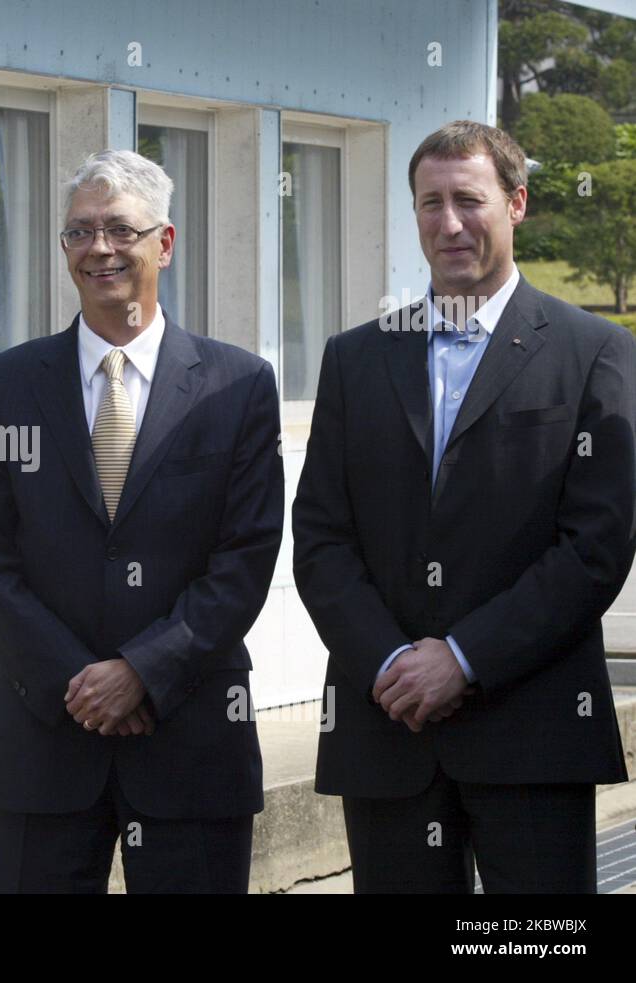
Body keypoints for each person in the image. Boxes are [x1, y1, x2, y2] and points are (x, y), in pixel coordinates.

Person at [292, 120, 636, 893]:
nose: (448, 223)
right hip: (386, 728)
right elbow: (320, 539)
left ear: (516, 203)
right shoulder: (354, 359)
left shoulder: (596, 353)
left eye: (469, 201)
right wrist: (391, 662)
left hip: (533, 731)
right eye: (429, 203)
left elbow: (596, 547)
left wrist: (464, 657)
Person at [0, 149, 284, 893]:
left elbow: (247, 557)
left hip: (192, 739)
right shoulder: (4, 385)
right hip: (47, 741)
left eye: (119, 230)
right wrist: (78, 681)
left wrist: (144, 670)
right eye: (79, 232)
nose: (98, 248)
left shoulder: (238, 387)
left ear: (163, 243)